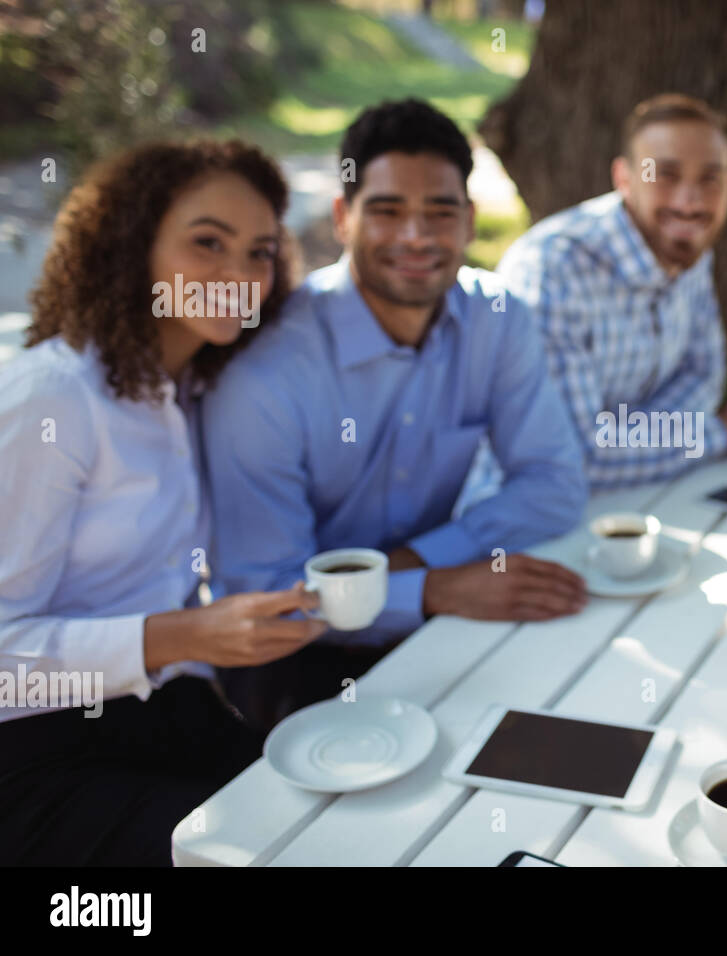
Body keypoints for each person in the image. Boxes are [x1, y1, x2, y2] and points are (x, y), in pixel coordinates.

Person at [202, 99, 589, 730]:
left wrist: (411, 566)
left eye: (439, 212)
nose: (416, 237)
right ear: (341, 219)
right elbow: (264, 594)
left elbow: (555, 484)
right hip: (292, 658)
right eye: (387, 212)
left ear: (468, 220)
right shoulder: (265, 375)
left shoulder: (499, 320)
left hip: (440, 627)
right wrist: (435, 587)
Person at [0, 140, 323, 865]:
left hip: (161, 710)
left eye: (261, 252)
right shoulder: (53, 400)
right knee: (269, 853)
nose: (239, 275)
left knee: (331, 822)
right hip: (31, 750)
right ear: (132, 242)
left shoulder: (190, 390)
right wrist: (183, 635)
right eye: (208, 242)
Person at [494, 93, 727, 490]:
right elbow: (574, 455)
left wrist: (624, 439)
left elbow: (702, 376)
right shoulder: (552, 272)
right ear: (623, 179)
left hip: (645, 493)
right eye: (666, 174)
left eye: (710, 178)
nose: (690, 201)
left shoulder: (687, 243)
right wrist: (717, 435)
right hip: (522, 514)